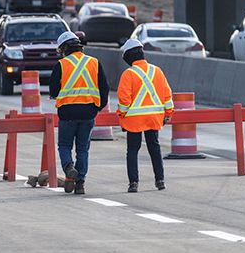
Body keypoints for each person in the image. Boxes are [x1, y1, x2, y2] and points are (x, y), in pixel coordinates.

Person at [30, 30, 109, 194]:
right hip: (88, 112)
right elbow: (104, 88)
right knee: (82, 149)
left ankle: (69, 167)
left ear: (64, 49)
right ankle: (79, 183)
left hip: (67, 113)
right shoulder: (94, 62)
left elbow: (53, 91)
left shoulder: (61, 64)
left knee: (65, 145)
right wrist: (97, 108)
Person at [116, 38, 174, 193]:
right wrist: (168, 113)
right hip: (154, 117)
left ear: (128, 56)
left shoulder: (128, 74)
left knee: (133, 150)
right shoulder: (157, 71)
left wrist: (122, 116)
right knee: (154, 148)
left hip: (134, 120)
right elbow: (167, 95)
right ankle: (160, 180)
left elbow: (124, 101)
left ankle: (133, 183)